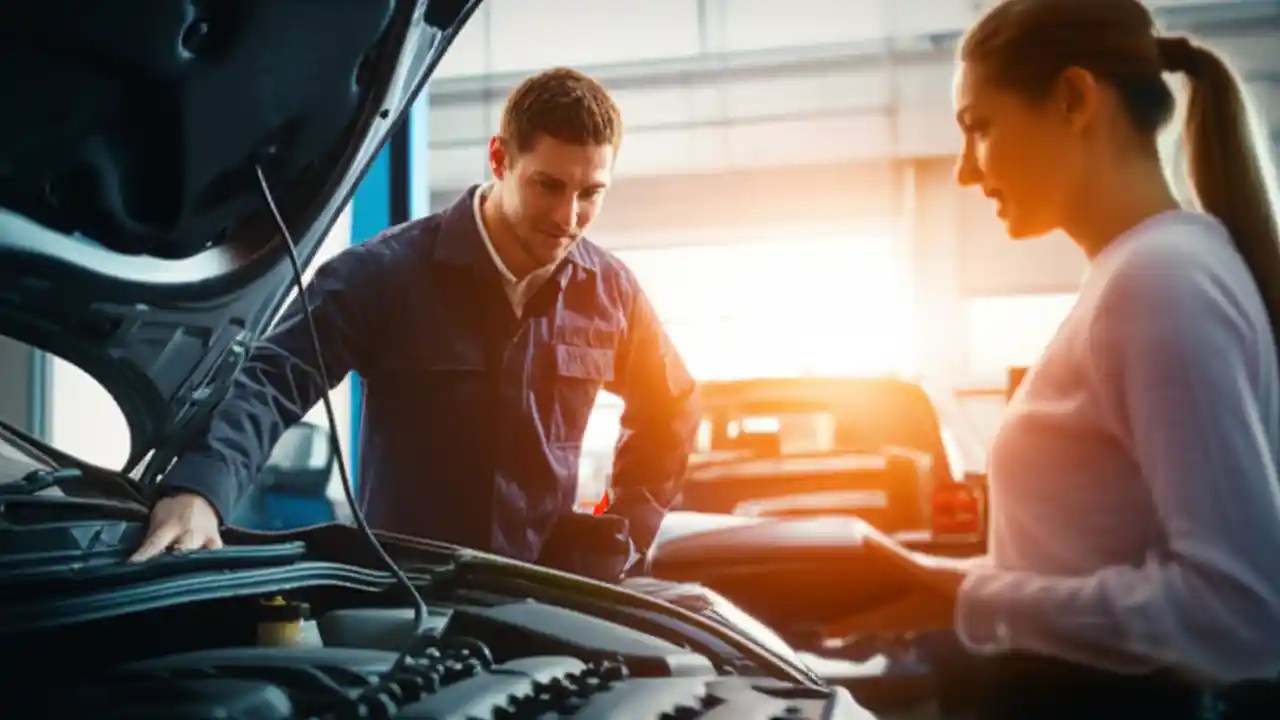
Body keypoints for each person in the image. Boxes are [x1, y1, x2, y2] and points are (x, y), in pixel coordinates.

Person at [839, 0, 1280, 716]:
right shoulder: (1144, 270)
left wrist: (965, 597)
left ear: (1074, 99)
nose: (962, 172)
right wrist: (938, 595)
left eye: (978, 128)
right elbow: (1079, 563)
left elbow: (1237, 612)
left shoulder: (1160, 280)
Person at [128, 67, 701, 583]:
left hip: (544, 598)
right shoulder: (383, 275)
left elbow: (671, 405)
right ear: (500, 160)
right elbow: (275, 378)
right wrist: (203, 489)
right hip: (405, 596)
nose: (567, 217)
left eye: (590, 194)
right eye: (547, 185)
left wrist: (621, 528)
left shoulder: (610, 291)